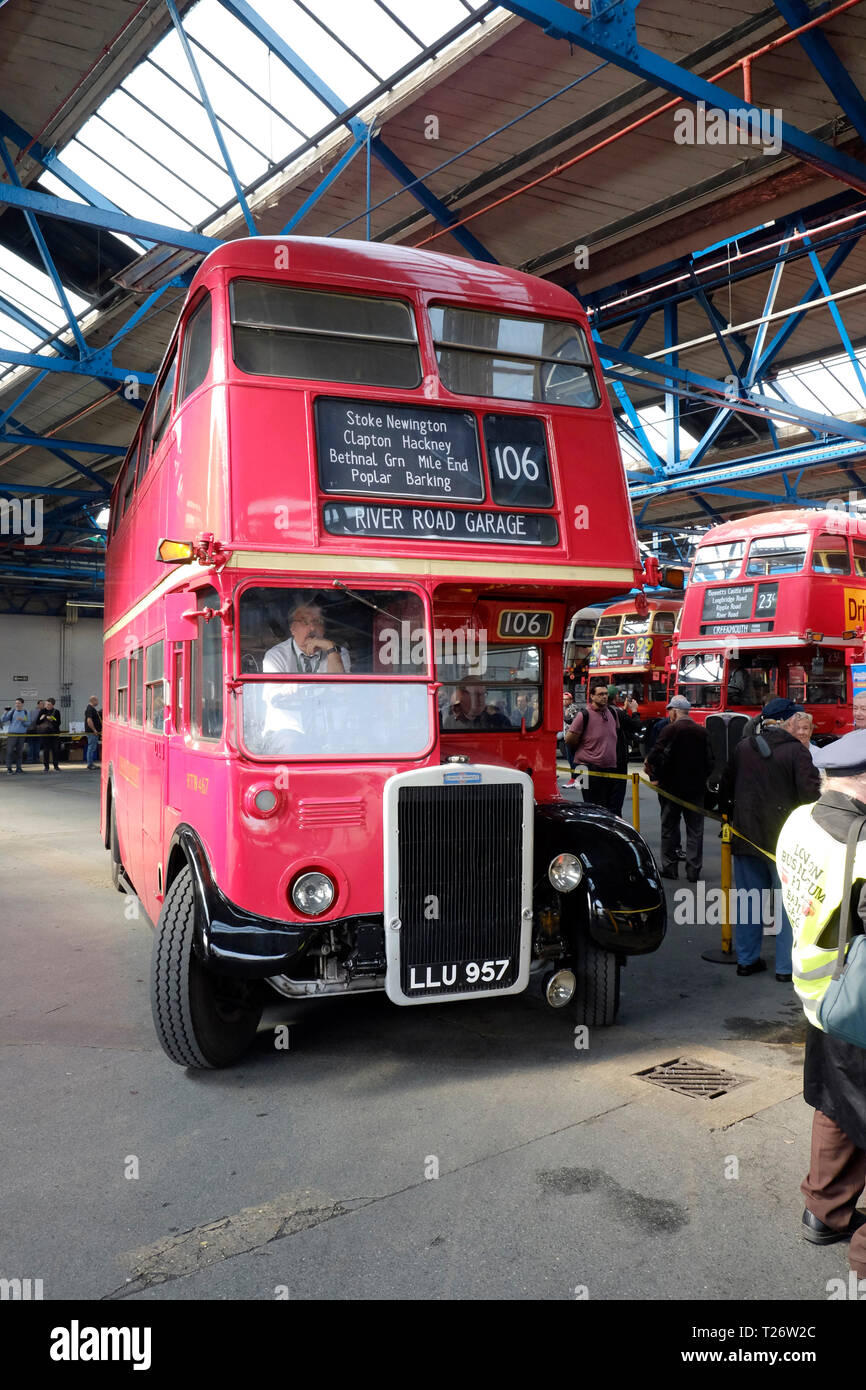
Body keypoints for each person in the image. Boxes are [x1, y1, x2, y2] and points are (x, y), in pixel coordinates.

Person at [776, 730, 866, 1276]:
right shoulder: (863, 850)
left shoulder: (800, 821)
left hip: (819, 998)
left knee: (837, 1104)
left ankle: (825, 1213)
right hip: (859, 1009)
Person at [718, 696, 820, 980]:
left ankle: (747, 960)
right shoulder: (797, 753)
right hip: (787, 843)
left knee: (749, 901)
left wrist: (730, 819)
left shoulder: (742, 747)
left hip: (746, 836)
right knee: (789, 904)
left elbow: (725, 789)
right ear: (789, 721)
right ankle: (786, 969)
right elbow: (811, 796)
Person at [645, 694, 713, 881]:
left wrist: (655, 774)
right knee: (695, 830)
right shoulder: (702, 732)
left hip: (671, 788)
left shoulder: (670, 730)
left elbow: (654, 755)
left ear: (674, 711)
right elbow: (710, 761)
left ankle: (670, 868)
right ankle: (693, 870)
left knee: (669, 828)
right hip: (696, 789)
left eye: (670, 711)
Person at [565, 679, 627, 811]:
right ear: (592, 696)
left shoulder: (612, 713)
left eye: (605, 694)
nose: (604, 696)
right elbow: (569, 739)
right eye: (600, 694)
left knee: (610, 808)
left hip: (610, 768)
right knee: (593, 808)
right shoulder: (584, 715)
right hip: (586, 769)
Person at [263, 601, 350, 675]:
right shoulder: (277, 655)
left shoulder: (336, 651)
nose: (312, 628)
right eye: (305, 622)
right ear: (293, 629)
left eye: (317, 622)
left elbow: (340, 690)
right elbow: (273, 693)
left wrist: (330, 648)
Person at [2, 698, 29, 773]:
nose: (17, 705)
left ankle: (19, 768)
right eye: (16, 703)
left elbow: (28, 723)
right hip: (12, 734)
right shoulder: (12, 712)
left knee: (19, 752)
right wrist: (5, 712)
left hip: (22, 735)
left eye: (19, 703)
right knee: (9, 751)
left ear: (22, 704)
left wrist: (23, 721)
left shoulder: (26, 712)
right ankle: (9, 768)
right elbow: (2, 720)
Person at [38, 698, 61, 772]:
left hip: (54, 733)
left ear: (53, 705)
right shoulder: (42, 711)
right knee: (46, 750)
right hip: (45, 733)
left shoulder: (56, 712)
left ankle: (56, 766)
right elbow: (37, 722)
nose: (47, 706)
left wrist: (52, 719)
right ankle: (46, 766)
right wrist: (42, 718)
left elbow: (58, 723)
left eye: (49, 704)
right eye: (46, 704)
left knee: (55, 750)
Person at [84, 696, 102, 769]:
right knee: (91, 748)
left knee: (92, 747)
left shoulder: (92, 709)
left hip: (93, 732)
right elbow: (89, 720)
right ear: (93, 701)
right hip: (92, 732)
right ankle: (90, 764)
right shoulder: (90, 709)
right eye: (97, 701)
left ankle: (91, 763)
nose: (98, 702)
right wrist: (94, 730)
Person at [26, 700, 45, 765]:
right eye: (42, 704)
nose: (43, 705)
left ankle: (35, 759)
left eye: (43, 704)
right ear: (38, 705)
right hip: (32, 731)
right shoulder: (35, 712)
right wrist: (41, 718)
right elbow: (33, 720)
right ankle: (31, 759)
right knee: (32, 745)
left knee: (37, 745)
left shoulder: (43, 712)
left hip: (38, 731)